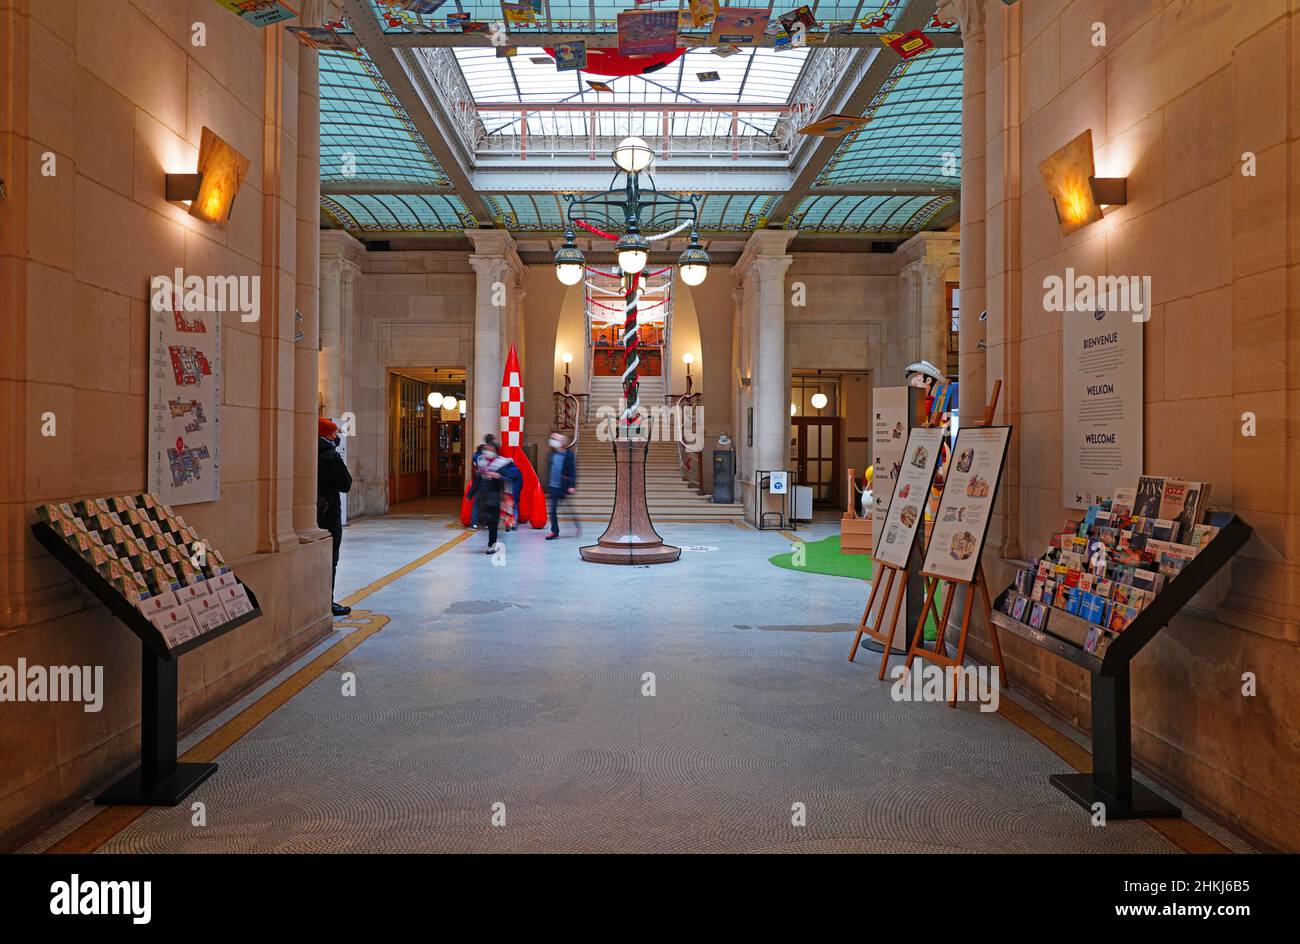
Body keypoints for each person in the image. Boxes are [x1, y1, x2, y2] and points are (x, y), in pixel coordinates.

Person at [317, 417, 353, 616]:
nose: (337, 436)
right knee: (331, 559)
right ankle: (326, 603)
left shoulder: (306, 450)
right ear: (327, 434)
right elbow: (345, 484)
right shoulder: (331, 456)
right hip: (329, 513)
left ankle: (316, 601)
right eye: (334, 433)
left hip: (312, 513)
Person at [465, 440, 520, 554]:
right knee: (487, 520)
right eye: (486, 449)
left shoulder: (502, 463)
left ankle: (492, 544)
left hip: (496, 495)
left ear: (495, 450)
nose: (487, 452)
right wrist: (470, 494)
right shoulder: (482, 462)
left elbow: (514, 476)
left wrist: (499, 476)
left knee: (493, 521)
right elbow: (477, 480)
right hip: (484, 496)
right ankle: (493, 537)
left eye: (490, 449)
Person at [545, 432, 579, 540]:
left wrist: (572, 485)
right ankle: (554, 531)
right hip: (553, 486)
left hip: (562, 486)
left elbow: (572, 471)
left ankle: (577, 524)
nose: (553, 441)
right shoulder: (552, 454)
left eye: (556, 439)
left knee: (567, 509)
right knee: (552, 511)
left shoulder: (568, 455)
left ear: (562, 443)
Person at [467, 434, 497, 529]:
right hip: (489, 484)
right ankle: (487, 523)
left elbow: (475, 469)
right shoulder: (489, 455)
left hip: (479, 483)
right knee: (488, 505)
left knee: (476, 504)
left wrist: (470, 494)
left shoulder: (476, 455)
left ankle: (474, 523)